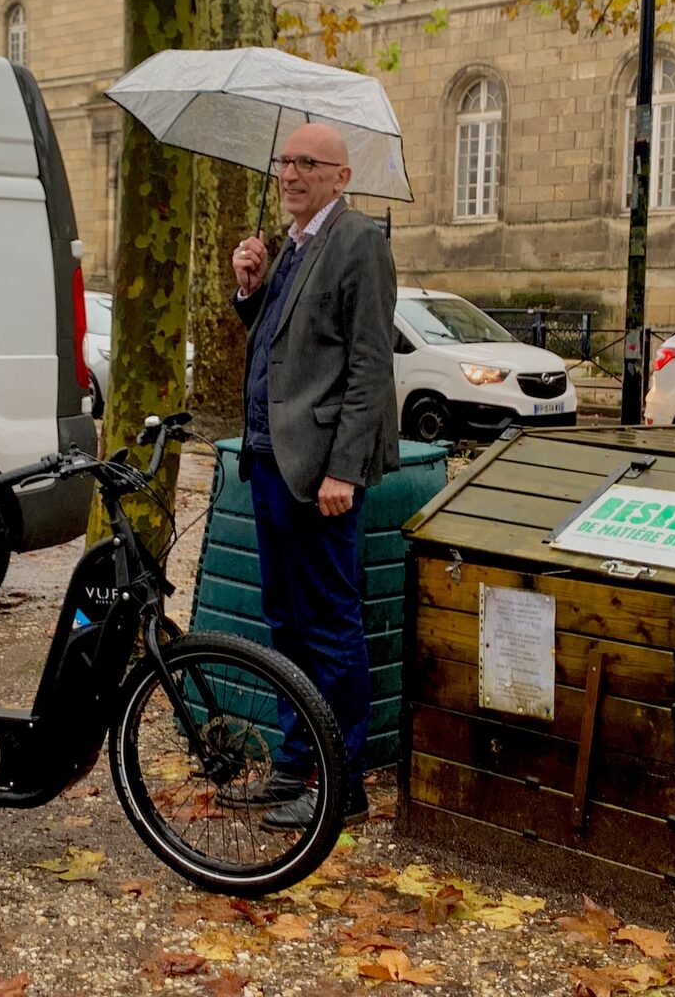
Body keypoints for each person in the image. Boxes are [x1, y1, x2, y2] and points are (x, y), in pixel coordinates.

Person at [227, 122, 398, 831]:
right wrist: (249, 288)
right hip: (270, 461)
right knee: (286, 623)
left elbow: (368, 368)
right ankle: (297, 763)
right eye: (285, 160)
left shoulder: (359, 242)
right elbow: (280, 343)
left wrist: (343, 470)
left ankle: (342, 782)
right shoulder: (288, 246)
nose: (291, 172)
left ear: (341, 175)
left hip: (318, 473)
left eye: (308, 162)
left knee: (329, 626)